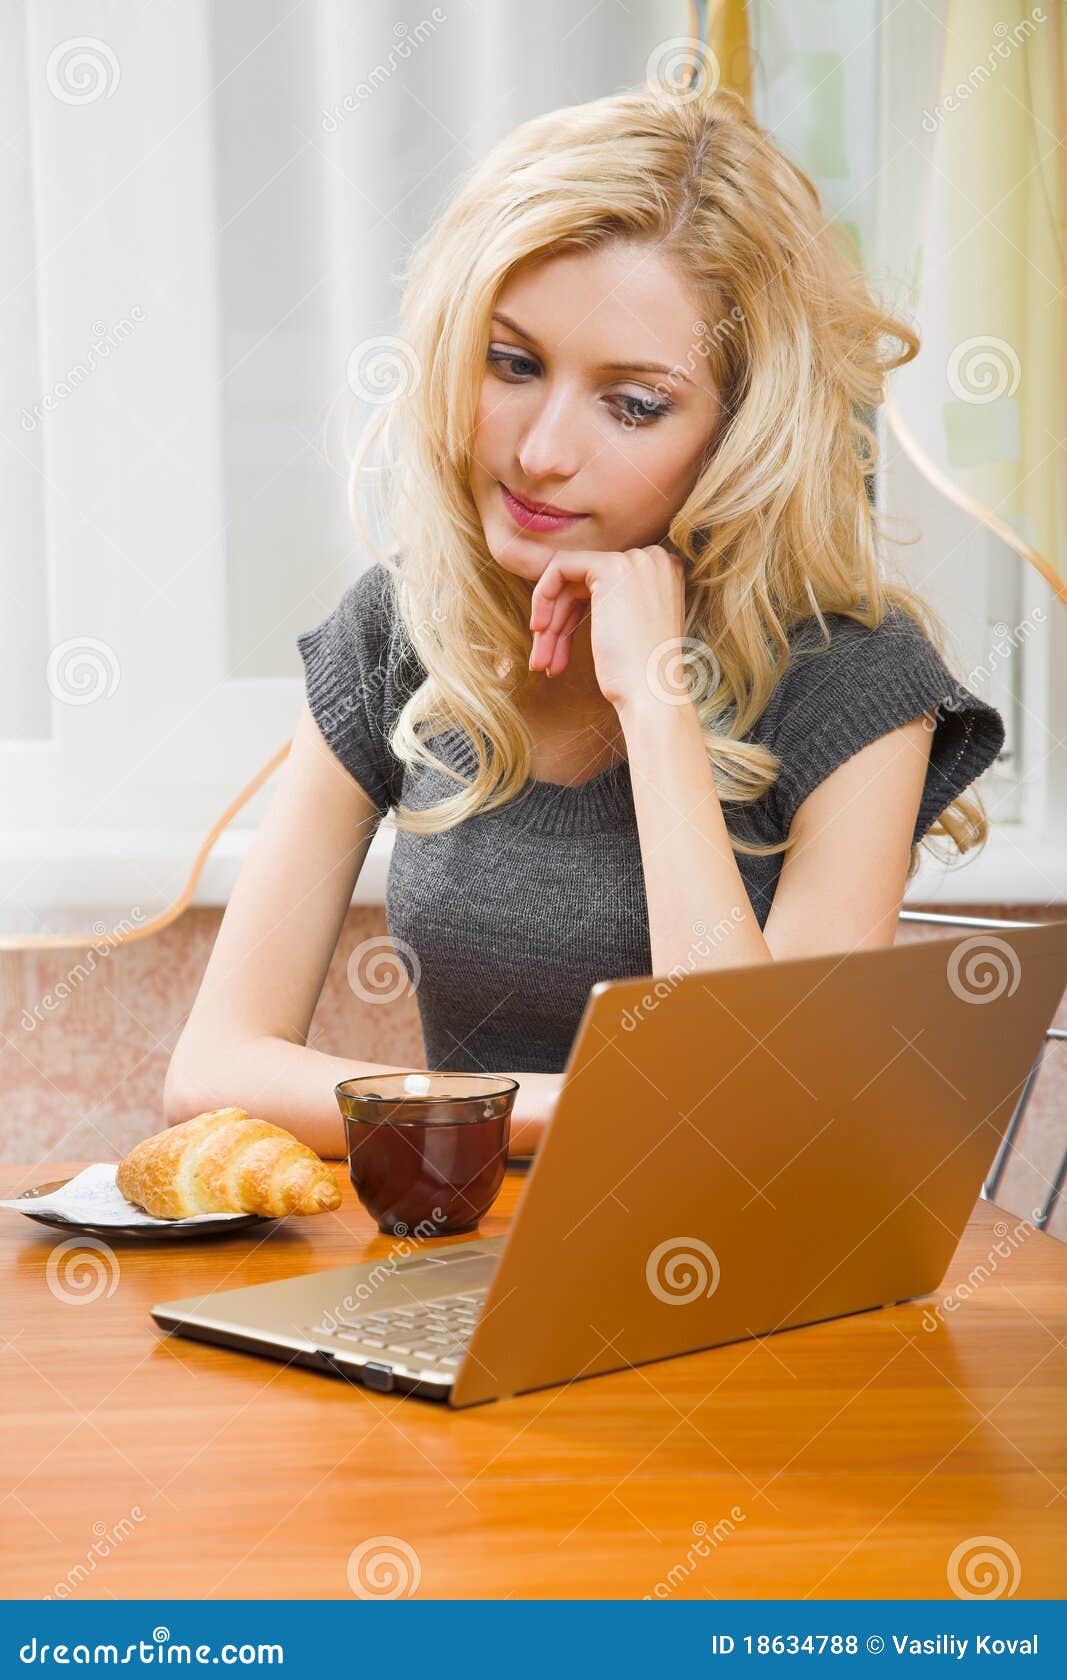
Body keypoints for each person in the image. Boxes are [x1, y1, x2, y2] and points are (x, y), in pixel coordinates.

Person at [164, 83, 1005, 1162]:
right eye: (512, 364)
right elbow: (215, 1069)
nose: (541, 451)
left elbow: (763, 1113)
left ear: (738, 434)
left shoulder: (857, 681)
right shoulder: (403, 625)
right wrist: (568, 1105)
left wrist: (655, 705)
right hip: (462, 1246)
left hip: (726, 1259)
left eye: (632, 404)